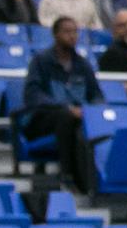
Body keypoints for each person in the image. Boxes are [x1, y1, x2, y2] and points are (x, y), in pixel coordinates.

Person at [23, 16, 102, 194]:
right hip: (43, 120)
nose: (72, 36)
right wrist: (65, 107)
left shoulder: (82, 65)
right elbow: (33, 95)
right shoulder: (41, 61)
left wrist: (89, 110)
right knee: (66, 117)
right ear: (55, 34)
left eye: (75, 32)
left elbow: (97, 95)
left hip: (77, 119)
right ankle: (66, 175)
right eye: (67, 31)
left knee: (86, 123)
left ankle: (90, 182)